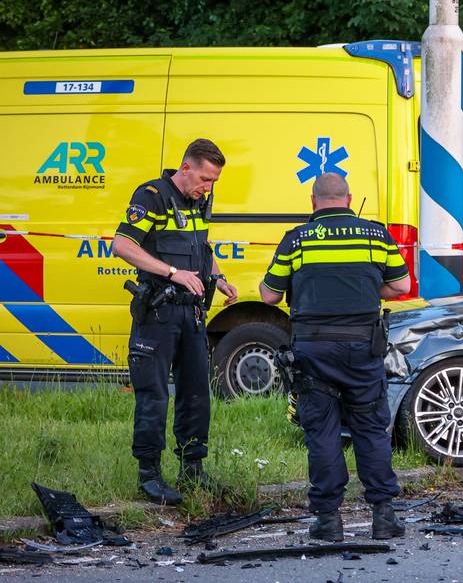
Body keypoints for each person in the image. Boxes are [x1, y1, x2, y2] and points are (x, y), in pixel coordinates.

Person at [258, 172, 410, 541]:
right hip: (363, 348)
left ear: (313, 202)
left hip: (313, 351)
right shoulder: (376, 235)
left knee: (322, 432)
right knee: (371, 429)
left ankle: (328, 521)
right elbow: (402, 285)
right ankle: (384, 517)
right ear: (348, 198)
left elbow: (269, 296)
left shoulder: (296, 240)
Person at [112, 138, 238, 505]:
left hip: (192, 312)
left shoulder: (199, 202)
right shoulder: (152, 195)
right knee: (154, 395)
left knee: (197, 393)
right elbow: (122, 245)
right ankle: (149, 475)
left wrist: (218, 277)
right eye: (204, 178)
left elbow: (200, 247)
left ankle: (193, 469)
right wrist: (172, 272)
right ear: (185, 168)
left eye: (213, 181)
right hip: (158, 313)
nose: (207, 187)